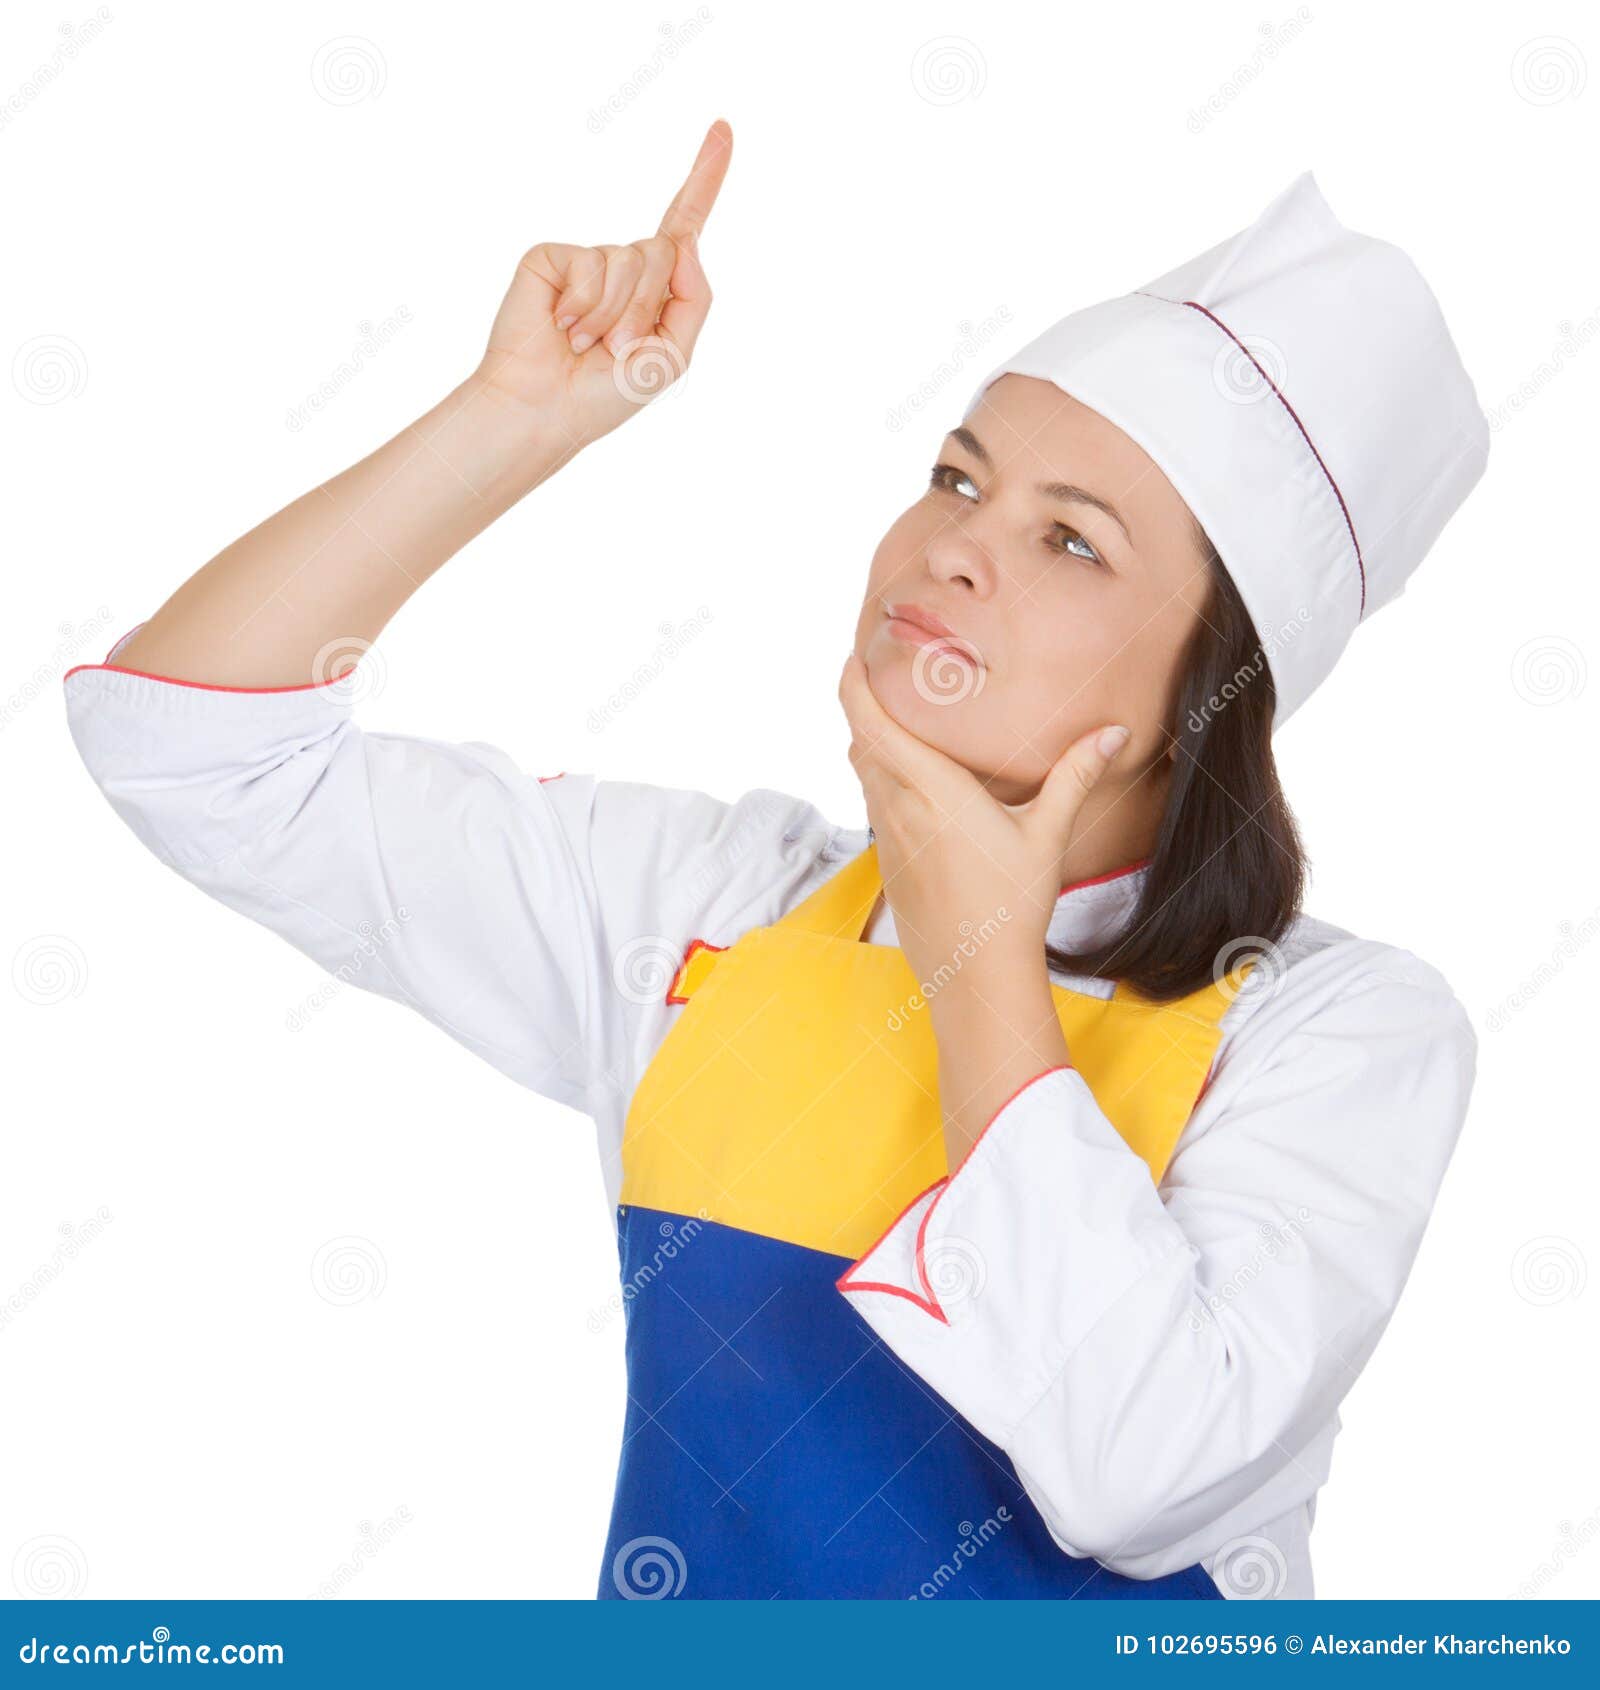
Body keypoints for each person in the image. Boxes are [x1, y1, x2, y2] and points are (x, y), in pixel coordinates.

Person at [64, 119, 1491, 1600]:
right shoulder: (708, 901)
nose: (949, 549)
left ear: (1210, 689)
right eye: (956, 478)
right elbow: (192, 752)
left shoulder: (1336, 1034)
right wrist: (515, 416)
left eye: (1070, 542)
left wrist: (979, 957)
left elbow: (1139, 1470)